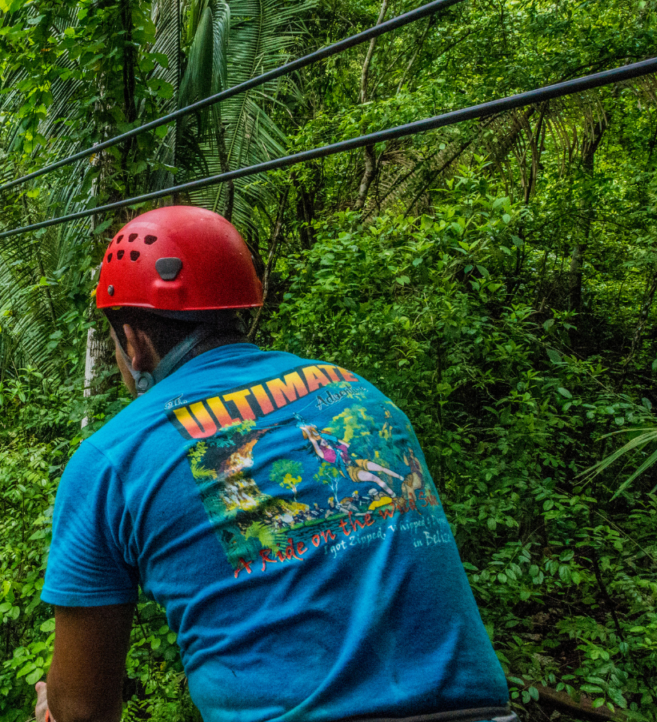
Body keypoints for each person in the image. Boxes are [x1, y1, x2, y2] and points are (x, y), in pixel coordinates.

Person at [35, 205, 512, 722]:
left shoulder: (111, 460)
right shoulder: (358, 392)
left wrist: (53, 710)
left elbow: (83, 711)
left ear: (133, 342)